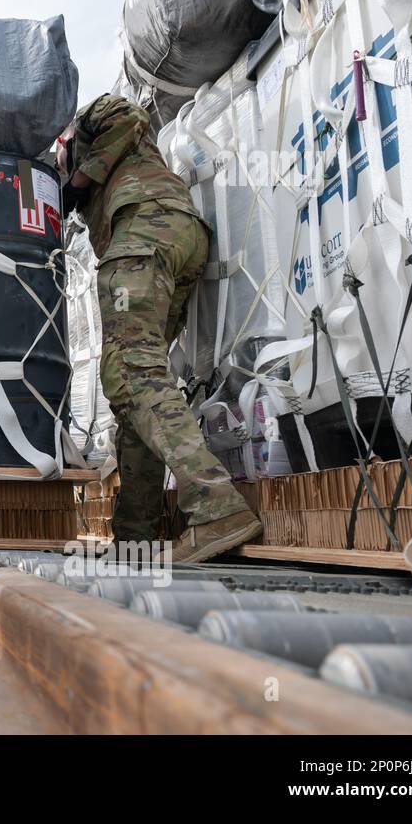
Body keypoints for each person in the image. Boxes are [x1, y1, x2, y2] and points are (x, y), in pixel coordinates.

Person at [57, 94, 262, 563]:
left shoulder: (81, 124)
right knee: (135, 393)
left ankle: (217, 506)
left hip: (146, 229)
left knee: (130, 371)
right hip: (171, 235)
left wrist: (81, 175)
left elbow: (128, 114)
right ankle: (135, 537)